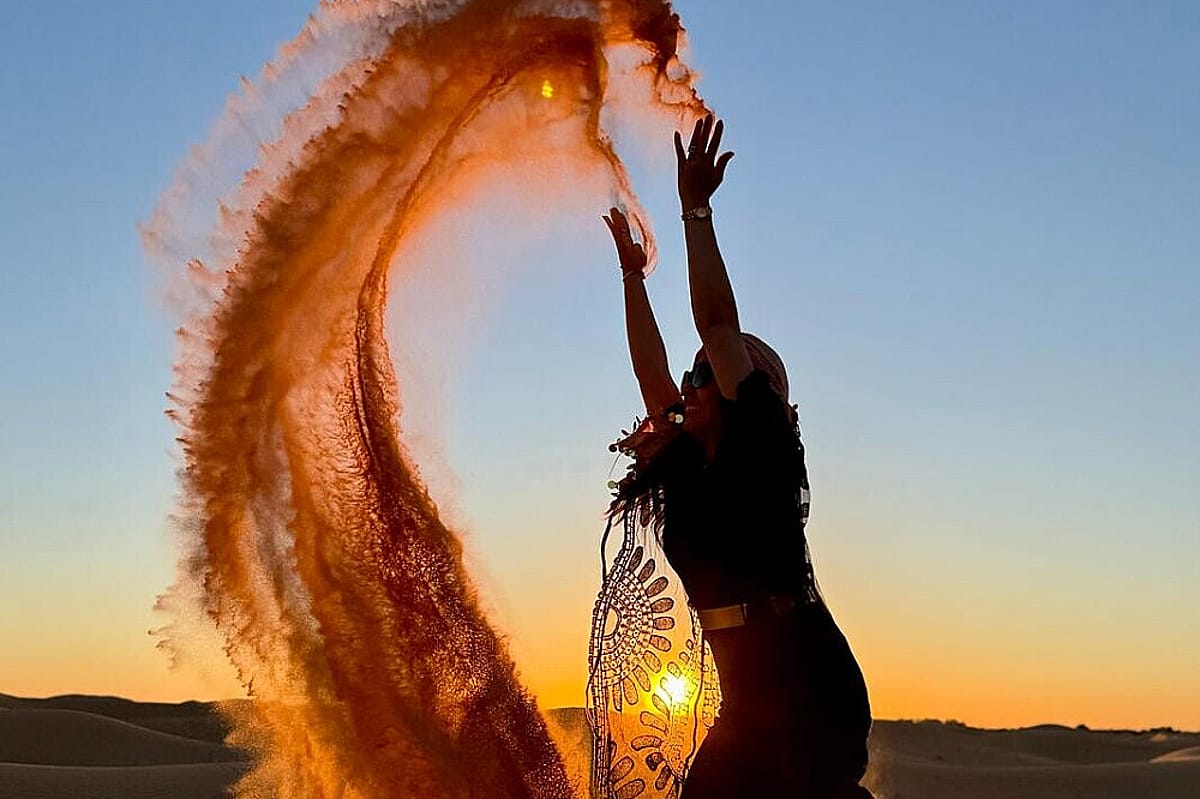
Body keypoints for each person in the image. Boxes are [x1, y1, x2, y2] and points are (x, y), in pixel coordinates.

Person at [596, 116, 873, 798]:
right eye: (694, 377)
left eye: (706, 377)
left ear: (744, 389)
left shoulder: (767, 456)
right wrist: (632, 278)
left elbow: (717, 326)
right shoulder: (688, 470)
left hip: (813, 694)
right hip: (747, 708)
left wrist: (695, 209)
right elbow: (652, 377)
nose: (691, 385)